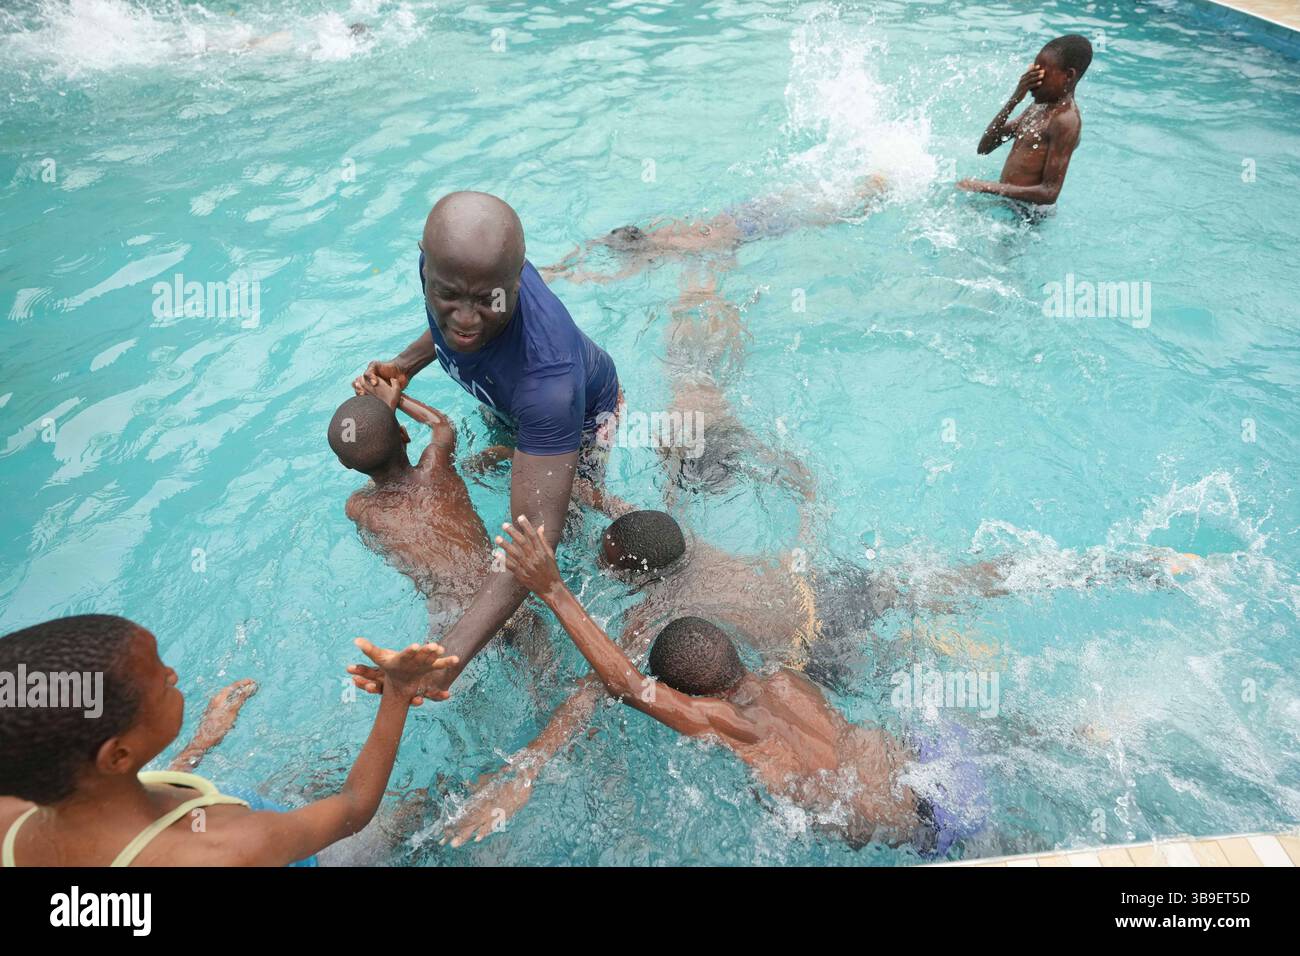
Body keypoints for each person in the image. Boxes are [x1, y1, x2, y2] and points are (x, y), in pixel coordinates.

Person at [487, 517, 931, 848]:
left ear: (684, 695)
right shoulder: (786, 678)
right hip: (926, 763)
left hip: (916, 830)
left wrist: (554, 590)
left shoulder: (728, 721)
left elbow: (625, 683)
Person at [352, 191, 621, 698]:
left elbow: (534, 539)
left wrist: (446, 659)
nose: (467, 320)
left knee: (572, 530)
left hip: (578, 419)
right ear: (425, 265)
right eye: (448, 295)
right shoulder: (452, 270)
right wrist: (404, 366)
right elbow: (456, 315)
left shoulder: (549, 384)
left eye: (487, 301)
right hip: (510, 398)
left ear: (516, 281)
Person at [0, 614, 455, 866]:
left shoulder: (13, 815)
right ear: (117, 754)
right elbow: (354, 806)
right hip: (292, 853)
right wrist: (397, 690)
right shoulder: (227, 847)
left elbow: (115, 811)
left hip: (236, 819)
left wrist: (200, 744)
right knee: (425, 805)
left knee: (317, 773)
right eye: (159, 681)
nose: (171, 674)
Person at [540, 175, 889, 285]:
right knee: (805, 199)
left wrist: (563, 274)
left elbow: (605, 276)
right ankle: (870, 182)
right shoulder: (662, 229)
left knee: (826, 215)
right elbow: (594, 245)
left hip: (751, 230)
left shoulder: (664, 252)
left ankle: (875, 193)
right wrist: (559, 267)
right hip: (737, 213)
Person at [957, 35, 1092, 206]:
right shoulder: (1038, 108)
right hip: (1007, 204)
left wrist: (986, 187)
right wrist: (1014, 99)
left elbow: (1049, 192)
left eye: (1042, 74)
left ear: (1068, 76)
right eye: (1033, 72)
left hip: (1027, 216)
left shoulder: (1066, 121)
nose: (1033, 81)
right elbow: (985, 147)